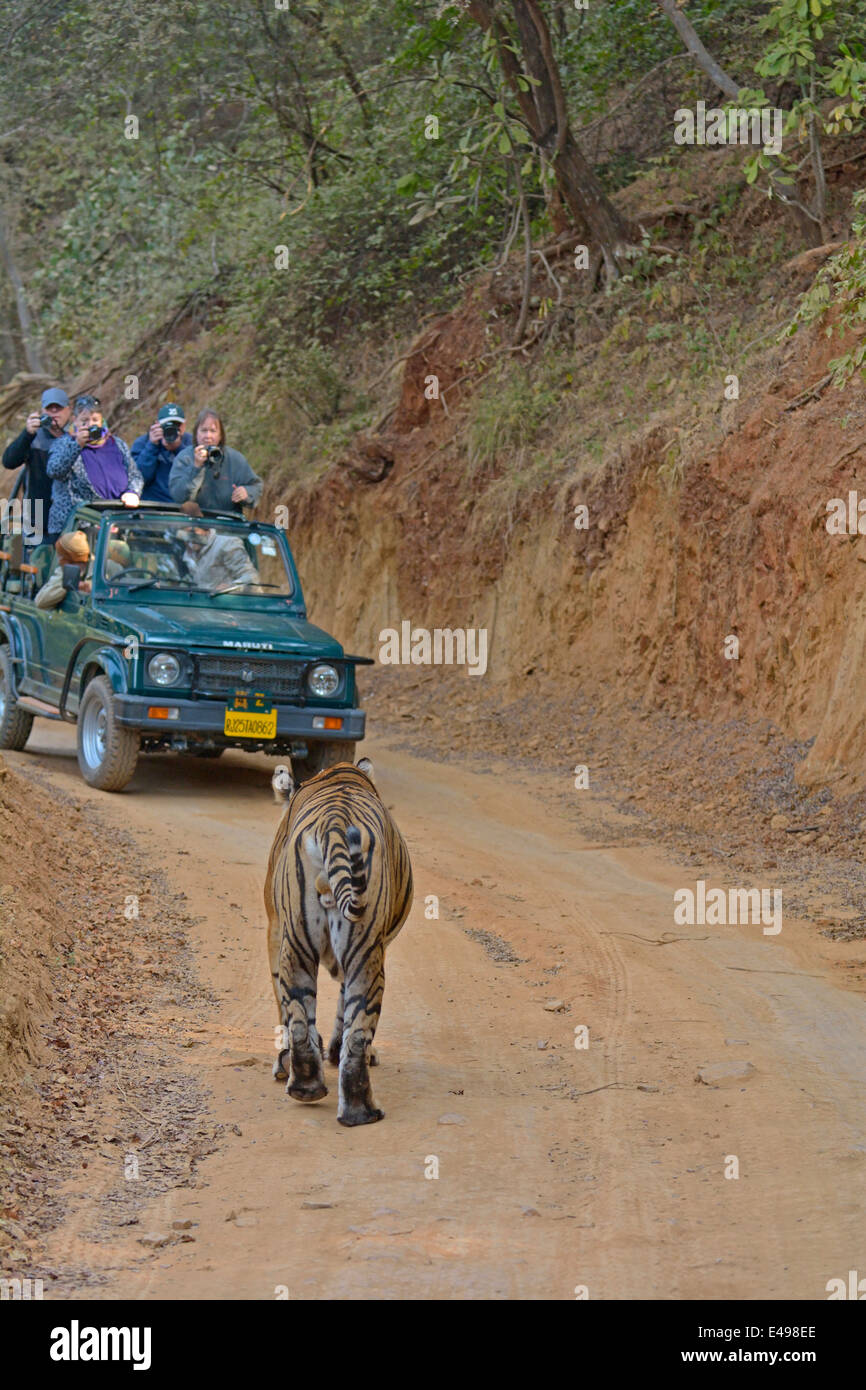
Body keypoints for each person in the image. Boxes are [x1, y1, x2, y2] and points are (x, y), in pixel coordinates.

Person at [46, 395, 142, 536]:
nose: (90, 424)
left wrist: (133, 492)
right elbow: (54, 471)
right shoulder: (64, 443)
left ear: (101, 420)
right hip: (76, 527)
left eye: (95, 420)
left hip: (114, 523)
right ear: (75, 421)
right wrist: (77, 445)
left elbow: (135, 475)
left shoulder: (117, 444)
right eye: (84, 421)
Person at [2, 387, 72, 543]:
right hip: (37, 517)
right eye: (49, 408)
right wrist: (27, 434)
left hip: (70, 517)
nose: (54, 412)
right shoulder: (33, 437)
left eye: (59, 408)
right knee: (36, 564)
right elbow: (9, 461)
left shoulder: (77, 437)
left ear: (69, 410)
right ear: (42, 411)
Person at [168, 408, 263, 514]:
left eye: (213, 431)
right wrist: (196, 467)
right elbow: (178, 497)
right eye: (204, 430)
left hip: (227, 523)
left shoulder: (234, 459)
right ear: (196, 433)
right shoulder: (184, 458)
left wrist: (247, 493)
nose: (208, 436)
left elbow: (256, 487)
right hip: (193, 523)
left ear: (220, 435)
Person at [130, 402, 192, 503]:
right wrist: (152, 446)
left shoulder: (191, 443)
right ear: (157, 424)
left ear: (184, 426)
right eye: (167, 425)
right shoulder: (143, 443)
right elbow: (139, 479)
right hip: (153, 506)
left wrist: (178, 449)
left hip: (182, 506)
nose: (172, 429)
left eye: (177, 425)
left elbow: (195, 476)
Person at [182, 525, 261, 590]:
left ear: (206, 530)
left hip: (232, 605)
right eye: (185, 534)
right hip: (205, 604)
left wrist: (230, 588)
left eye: (193, 532)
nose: (190, 538)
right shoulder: (189, 555)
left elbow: (250, 577)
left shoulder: (226, 544)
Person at [34, 531, 92, 609]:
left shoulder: (101, 571)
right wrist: (69, 586)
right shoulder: (64, 571)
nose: (59, 559)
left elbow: (40, 602)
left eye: (61, 556)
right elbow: (40, 601)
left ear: (70, 559)